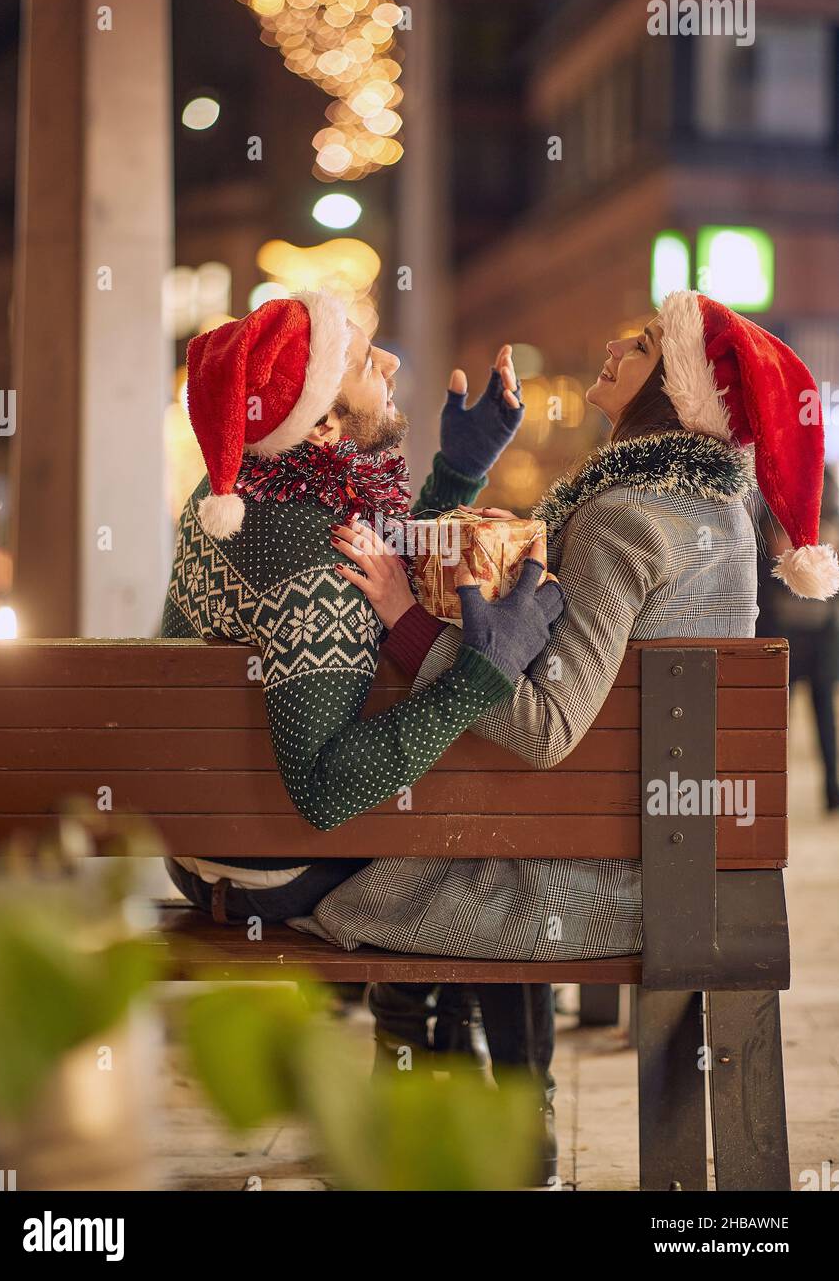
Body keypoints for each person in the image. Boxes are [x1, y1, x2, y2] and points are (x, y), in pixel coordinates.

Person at [292, 291, 839, 1155]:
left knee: (387, 859)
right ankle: (489, 1107)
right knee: (466, 823)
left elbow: (547, 728)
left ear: (681, 389)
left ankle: (432, 1108)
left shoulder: (620, 519)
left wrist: (406, 617)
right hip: (680, 862)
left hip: (595, 884)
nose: (619, 342)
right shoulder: (720, 515)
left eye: (650, 345)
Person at [159, 291, 563, 1161]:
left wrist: (457, 479)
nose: (391, 368)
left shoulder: (233, 494)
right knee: (500, 832)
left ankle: (424, 1068)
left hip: (198, 841)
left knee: (457, 819)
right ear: (322, 428)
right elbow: (324, 791)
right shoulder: (321, 564)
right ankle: (471, 1105)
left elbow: (368, 552)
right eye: (364, 362)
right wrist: (477, 683)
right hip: (266, 867)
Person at [756, 468, 839, 812]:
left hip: (820, 633)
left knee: (823, 716)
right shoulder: (771, 511)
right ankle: (769, 794)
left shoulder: (828, 510)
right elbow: (765, 566)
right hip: (782, 636)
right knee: (778, 724)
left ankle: (832, 791)